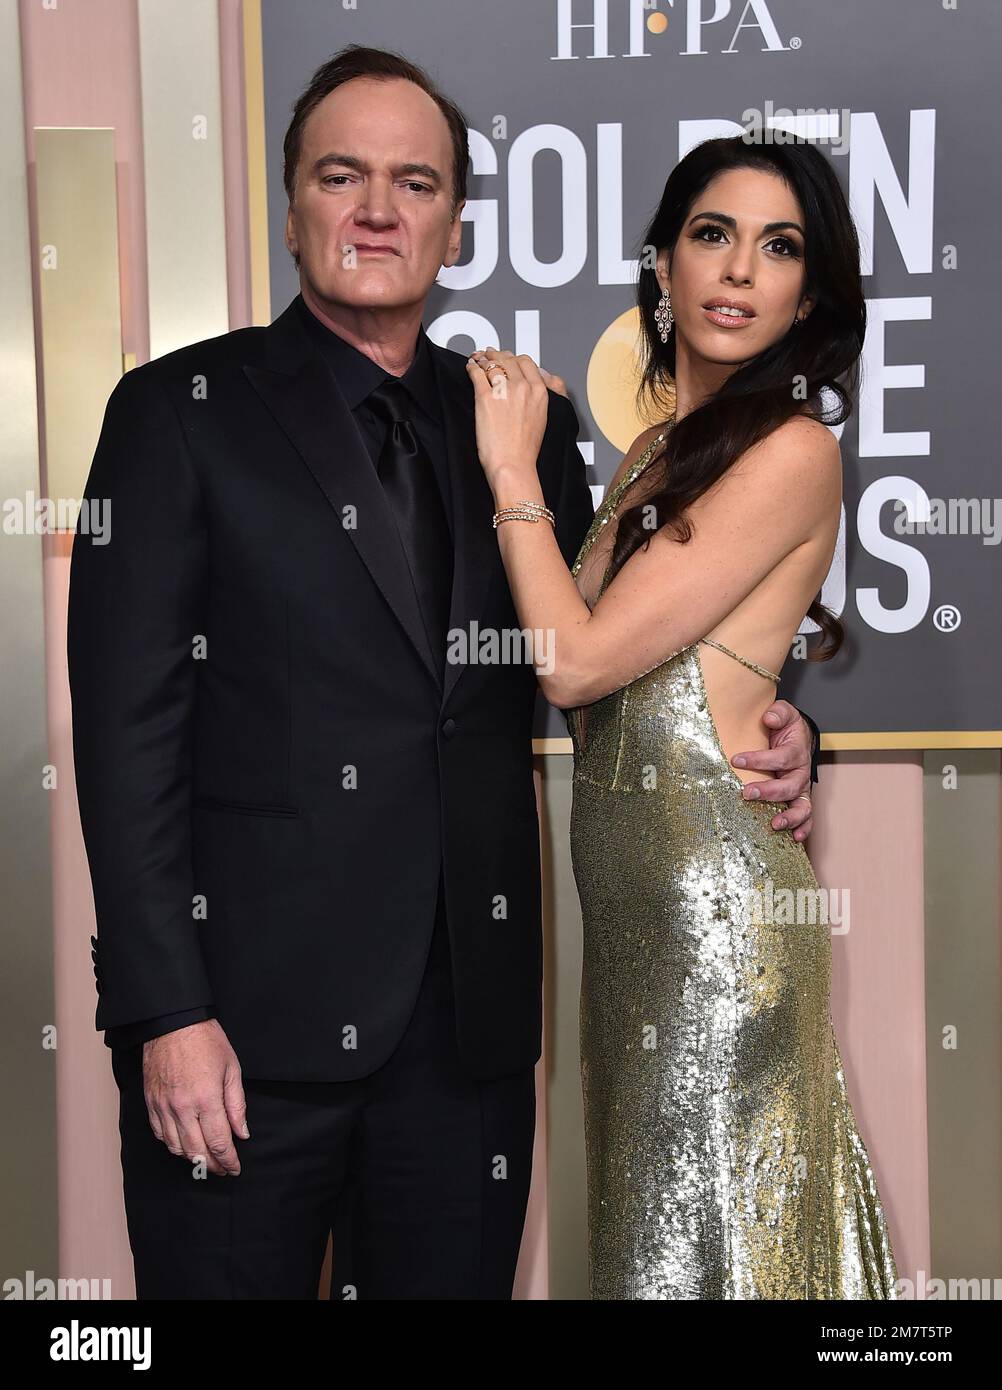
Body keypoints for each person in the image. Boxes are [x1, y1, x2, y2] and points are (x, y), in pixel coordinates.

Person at [67, 44, 818, 1301]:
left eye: (414, 183)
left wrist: (767, 723)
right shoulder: (178, 411)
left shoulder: (519, 426)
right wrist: (163, 1013)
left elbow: (606, 651)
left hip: (466, 1037)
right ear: (293, 205)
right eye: (342, 175)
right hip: (242, 1033)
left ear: (456, 225)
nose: (377, 209)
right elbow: (124, 733)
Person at [466, 133, 898, 1299]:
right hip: (639, 919)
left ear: (810, 294)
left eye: (779, 247)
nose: (740, 270)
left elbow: (575, 662)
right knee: (665, 1237)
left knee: (716, 1247)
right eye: (713, 234)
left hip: (718, 928)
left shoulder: (794, 448)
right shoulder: (660, 451)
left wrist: (513, 474)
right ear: (662, 265)